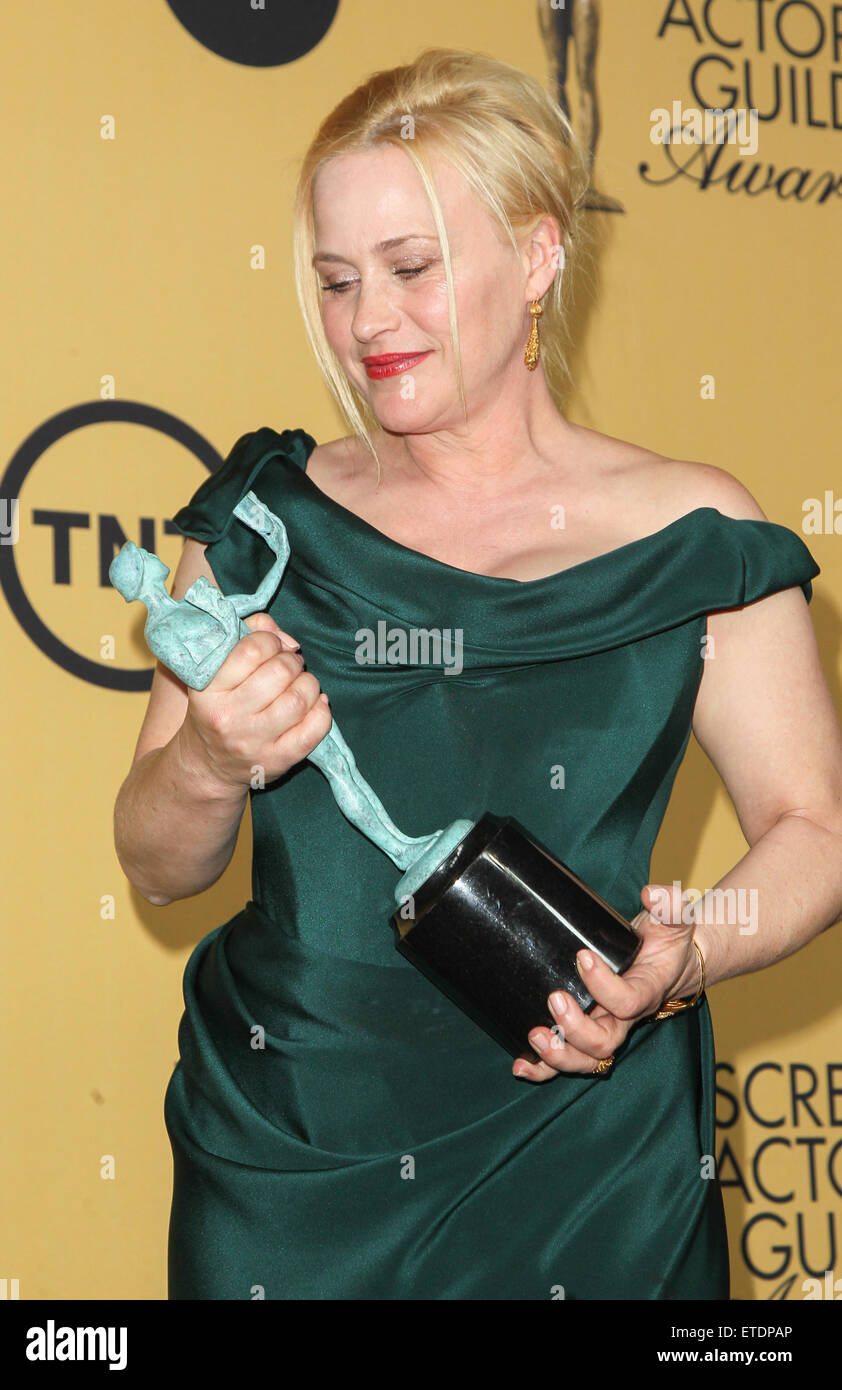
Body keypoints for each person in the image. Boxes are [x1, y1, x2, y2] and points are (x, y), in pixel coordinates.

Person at [113, 48, 842, 1300]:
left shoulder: (696, 537)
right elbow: (155, 860)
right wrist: (207, 757)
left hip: (589, 1154)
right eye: (338, 281)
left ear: (539, 257)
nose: (367, 322)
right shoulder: (258, 520)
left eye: (412, 269)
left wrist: (687, 954)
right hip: (294, 1155)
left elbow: (812, 827)